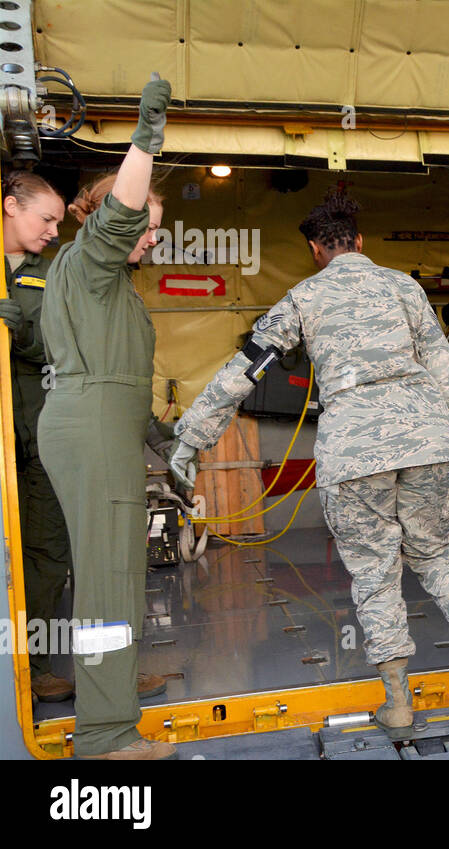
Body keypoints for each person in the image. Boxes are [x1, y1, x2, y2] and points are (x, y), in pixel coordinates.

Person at [169, 189, 449, 735]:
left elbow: (244, 372)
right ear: (360, 243)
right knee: (435, 551)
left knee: (374, 574)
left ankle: (398, 702)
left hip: (355, 453)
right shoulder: (405, 288)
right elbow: (445, 372)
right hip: (428, 443)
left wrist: (191, 438)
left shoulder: (301, 299)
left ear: (317, 249)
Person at [37, 75, 175, 759]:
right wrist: (148, 134)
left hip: (95, 426)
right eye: (147, 229)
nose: (150, 241)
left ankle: (109, 711)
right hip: (90, 432)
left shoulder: (101, 284)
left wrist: (162, 438)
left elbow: (123, 379)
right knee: (109, 581)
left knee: (107, 574)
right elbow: (120, 214)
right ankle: (107, 735)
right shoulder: (93, 259)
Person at [0, 171, 75, 703]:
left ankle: (38, 664)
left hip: (38, 440)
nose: (53, 230)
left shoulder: (50, 277)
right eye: (45, 218)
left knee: (48, 551)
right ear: (10, 205)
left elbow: (58, 346)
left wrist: (21, 332)